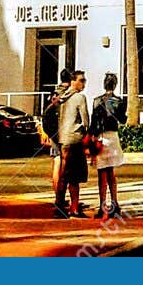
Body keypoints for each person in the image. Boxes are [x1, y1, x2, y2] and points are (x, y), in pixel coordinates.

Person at [53, 69, 91, 218]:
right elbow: (86, 121)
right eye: (81, 80)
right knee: (75, 176)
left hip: (63, 139)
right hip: (75, 139)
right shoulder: (80, 98)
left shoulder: (62, 97)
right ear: (73, 81)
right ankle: (74, 208)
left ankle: (60, 204)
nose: (84, 83)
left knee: (63, 174)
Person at [91, 72, 128, 218]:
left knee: (102, 173)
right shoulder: (119, 101)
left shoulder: (96, 101)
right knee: (111, 172)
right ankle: (114, 203)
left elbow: (94, 123)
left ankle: (102, 205)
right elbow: (123, 120)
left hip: (101, 136)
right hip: (113, 136)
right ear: (115, 84)